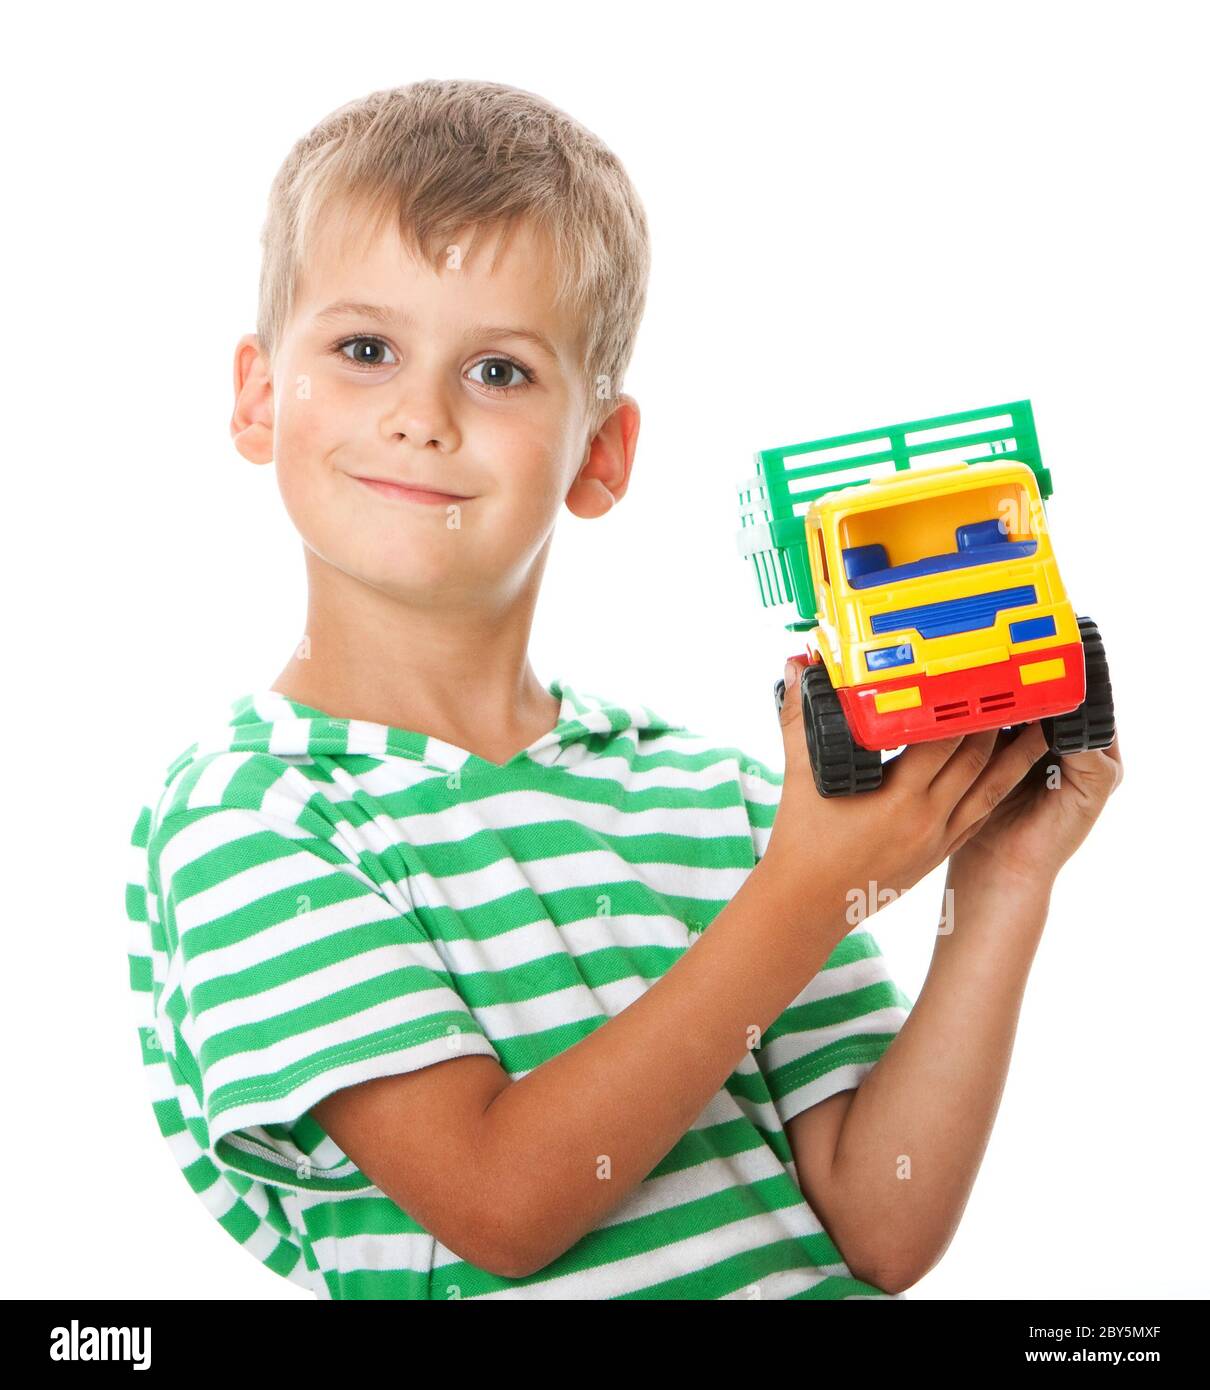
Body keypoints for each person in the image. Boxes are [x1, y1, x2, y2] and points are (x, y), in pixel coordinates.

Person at [123, 77, 1123, 1300]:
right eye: (366, 348)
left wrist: (1001, 880)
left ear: (600, 453)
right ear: (260, 395)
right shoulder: (253, 816)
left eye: (498, 371)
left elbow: (883, 1222)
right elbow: (502, 1205)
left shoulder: (713, 796)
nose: (422, 416)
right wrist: (804, 892)